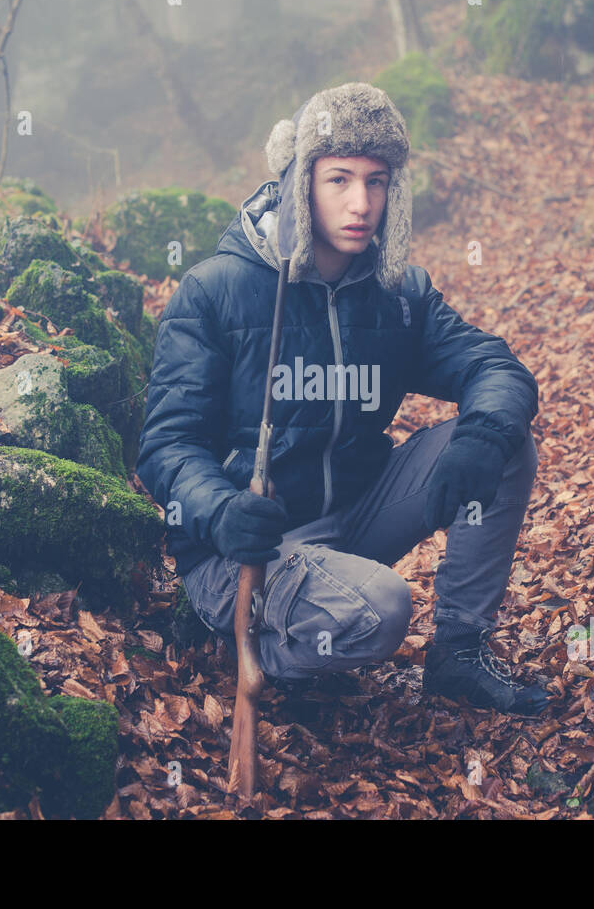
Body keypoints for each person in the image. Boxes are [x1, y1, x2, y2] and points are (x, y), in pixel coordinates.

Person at [136, 82, 547, 715]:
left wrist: (483, 436)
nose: (362, 203)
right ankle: (265, 650)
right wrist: (219, 511)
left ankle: (460, 655)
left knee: (506, 438)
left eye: (377, 182)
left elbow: (495, 366)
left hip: (353, 522)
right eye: (339, 180)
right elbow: (167, 444)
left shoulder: (399, 295)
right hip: (242, 551)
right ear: (299, 182)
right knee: (383, 610)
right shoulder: (214, 291)